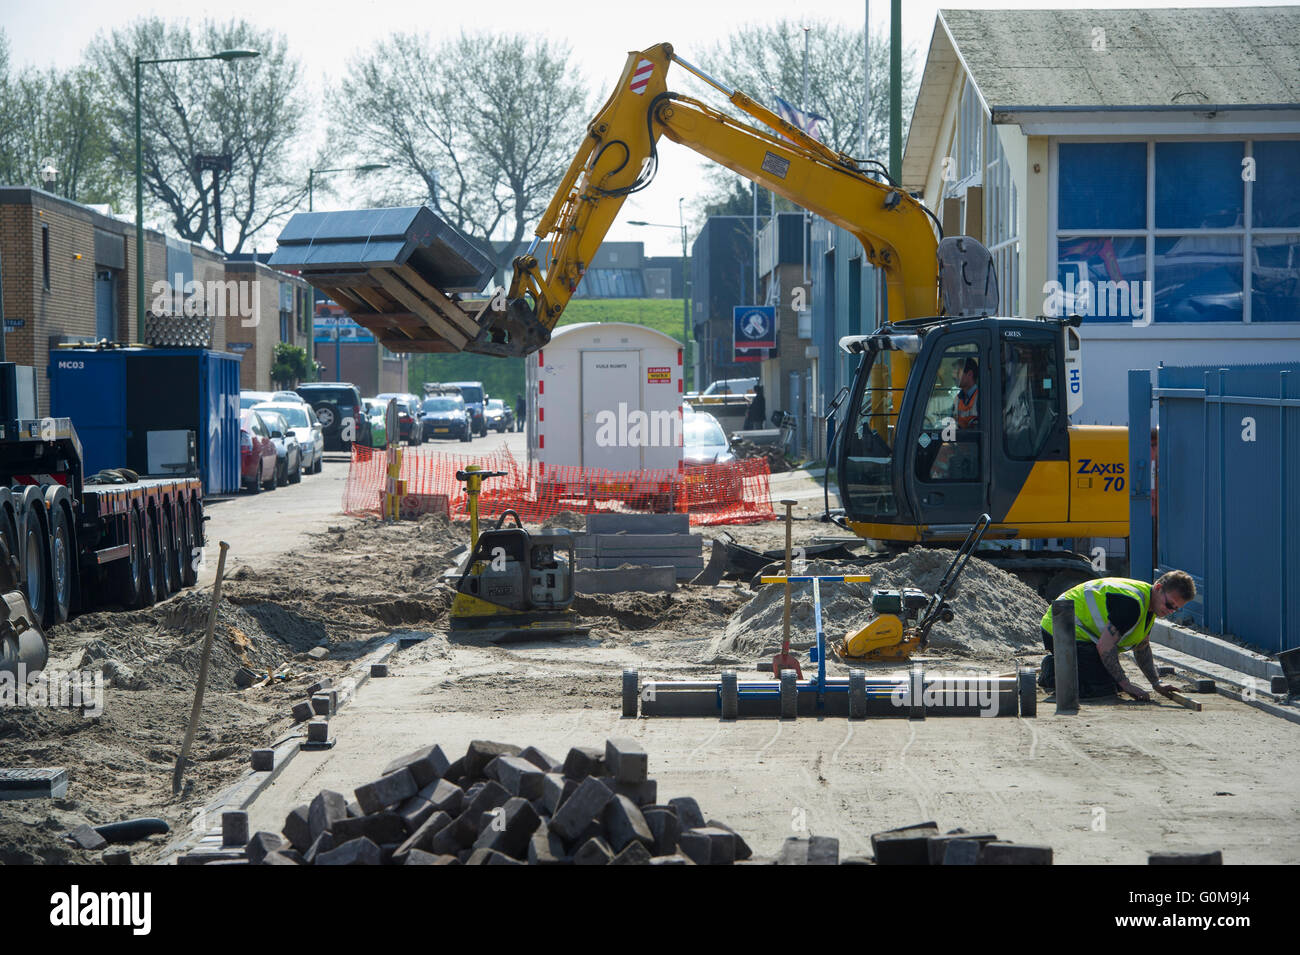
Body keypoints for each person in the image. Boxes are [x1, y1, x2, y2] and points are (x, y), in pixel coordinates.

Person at [1038, 570, 1196, 700]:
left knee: (1113, 684)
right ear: (1158, 588)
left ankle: (1062, 665)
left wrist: (1156, 683)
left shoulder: (1150, 604)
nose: (1170, 611)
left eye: (1175, 609)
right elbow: (1105, 647)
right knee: (1100, 689)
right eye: (1169, 605)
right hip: (1060, 630)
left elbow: (1142, 647)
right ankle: (1052, 670)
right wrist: (1126, 685)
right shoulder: (1132, 604)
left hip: (1080, 635)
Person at [955, 357, 978, 429]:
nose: (954, 376)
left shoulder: (982, 398)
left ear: (970, 374)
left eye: (958, 373)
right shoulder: (959, 398)